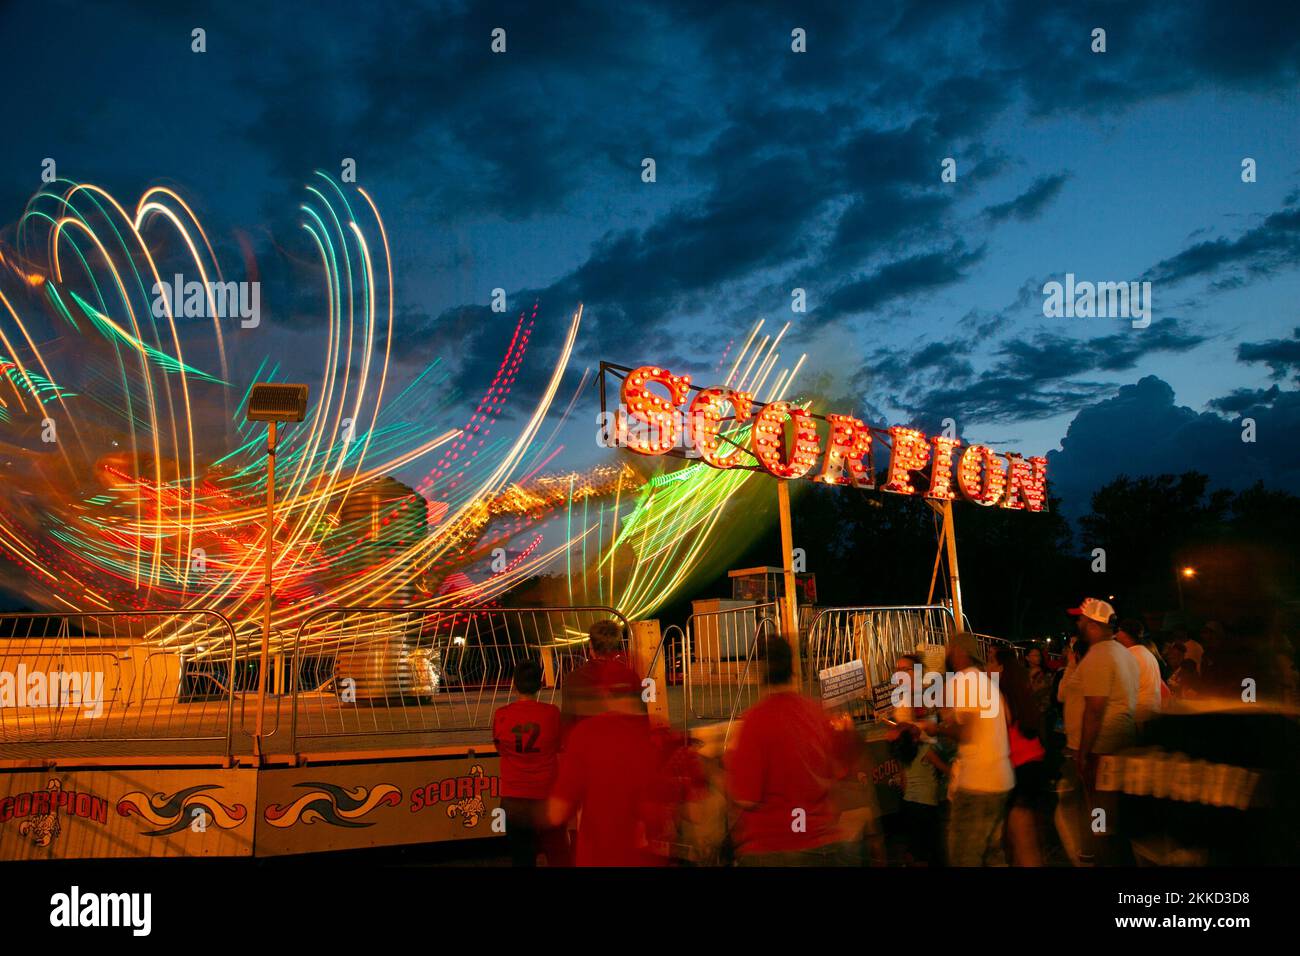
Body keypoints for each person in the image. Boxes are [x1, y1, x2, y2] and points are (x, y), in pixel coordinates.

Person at [725, 637, 859, 866]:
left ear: (759, 669)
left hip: (773, 848)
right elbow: (841, 769)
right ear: (792, 667)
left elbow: (746, 798)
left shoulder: (755, 719)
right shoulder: (816, 711)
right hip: (822, 842)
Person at [544, 675, 668, 867]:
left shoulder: (587, 734)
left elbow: (556, 812)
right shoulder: (657, 737)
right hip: (643, 858)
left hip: (598, 856)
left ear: (604, 695)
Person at [927, 632, 1013, 866]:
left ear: (959, 652)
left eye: (949, 649)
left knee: (965, 856)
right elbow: (1005, 719)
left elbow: (966, 733)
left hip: (977, 783)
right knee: (992, 854)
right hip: (1001, 778)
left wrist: (938, 730)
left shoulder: (962, 682)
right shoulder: (988, 683)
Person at [1069, 597, 1139, 866]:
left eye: (1082, 619)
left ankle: (1106, 860)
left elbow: (1095, 709)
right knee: (1113, 813)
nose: (1078, 623)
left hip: (1102, 747)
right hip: (1120, 741)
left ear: (1095, 625)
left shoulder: (1100, 655)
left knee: (1102, 814)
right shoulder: (1122, 653)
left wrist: (1084, 753)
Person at [491, 659, 567, 866]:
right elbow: (560, 745)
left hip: (514, 798)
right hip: (546, 796)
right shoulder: (552, 713)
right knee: (557, 855)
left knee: (522, 858)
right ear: (540, 684)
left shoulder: (502, 715)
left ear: (514, 685)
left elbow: (500, 748)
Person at [888, 655, 951, 866]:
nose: (900, 673)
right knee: (918, 826)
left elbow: (931, 729)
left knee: (926, 825)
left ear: (916, 672)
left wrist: (912, 729)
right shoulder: (902, 697)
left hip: (923, 760)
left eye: (905, 669)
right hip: (912, 765)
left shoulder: (924, 695)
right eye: (898, 669)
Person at [989, 647, 1047, 866]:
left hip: (1019, 768)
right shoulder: (1020, 690)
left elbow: (997, 735)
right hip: (1034, 762)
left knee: (1023, 842)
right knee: (1028, 837)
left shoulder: (999, 695)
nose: (986, 667)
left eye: (990, 661)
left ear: (1000, 667)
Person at [561, 619, 643, 743]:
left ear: (591, 646)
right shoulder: (631, 677)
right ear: (616, 646)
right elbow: (640, 722)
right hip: (622, 748)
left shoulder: (573, 679)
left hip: (586, 748)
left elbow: (567, 725)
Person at [1116, 618, 1162, 728]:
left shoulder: (1129, 656)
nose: (1116, 634)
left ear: (1124, 634)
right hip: (1153, 711)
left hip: (1139, 716)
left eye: (1118, 630)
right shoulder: (1146, 653)